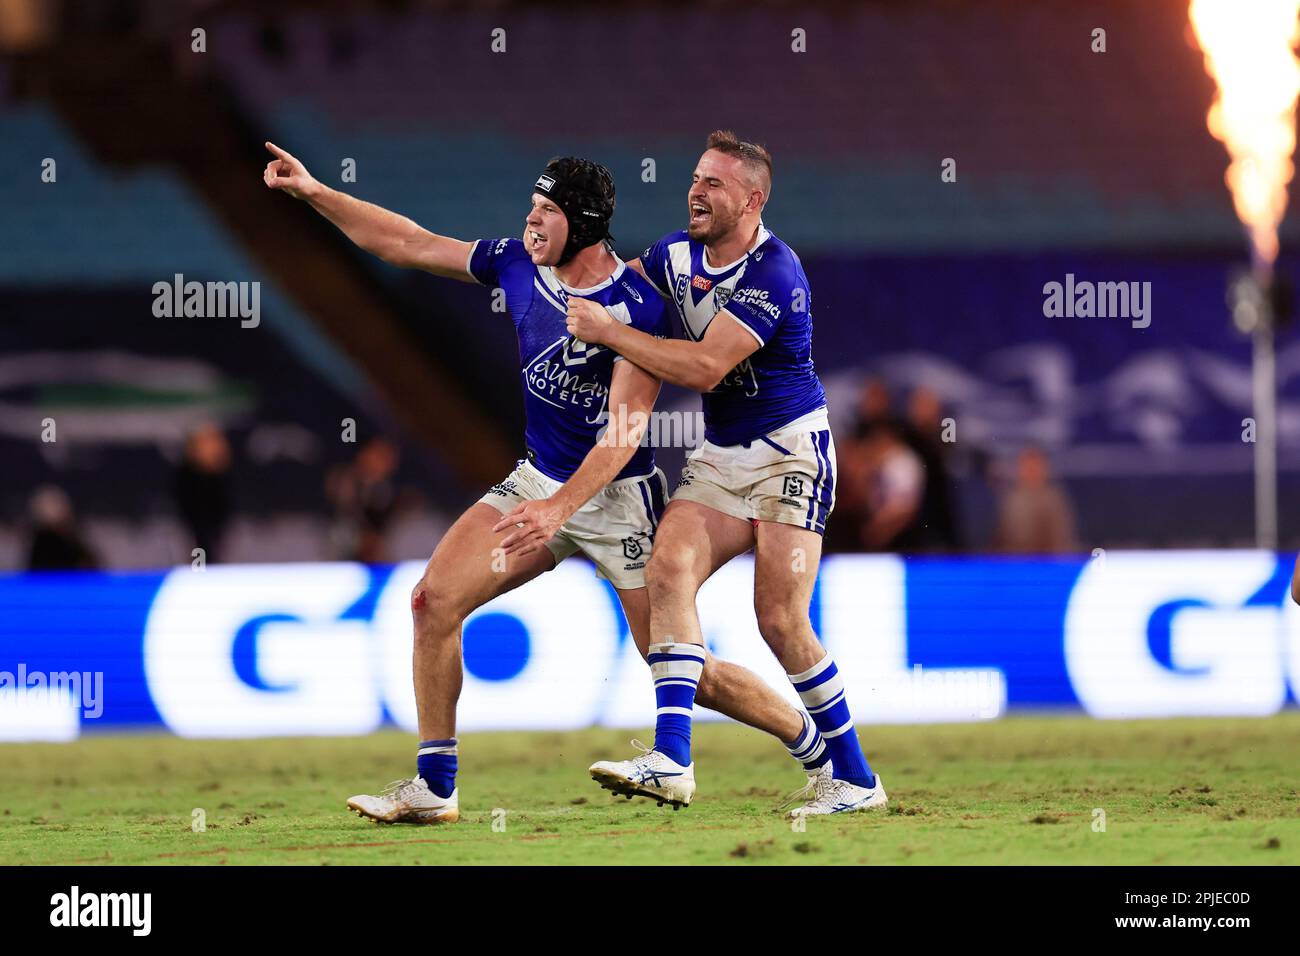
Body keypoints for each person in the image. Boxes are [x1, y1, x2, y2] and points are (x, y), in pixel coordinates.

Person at [263, 142, 819, 824]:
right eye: (532, 206)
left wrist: (562, 508)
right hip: (539, 484)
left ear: (581, 225)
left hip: (617, 503)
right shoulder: (515, 263)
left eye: (546, 211)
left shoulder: (636, 304)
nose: (530, 222)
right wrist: (314, 192)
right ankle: (435, 785)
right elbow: (407, 243)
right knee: (431, 603)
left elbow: (621, 436)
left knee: (684, 670)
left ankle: (810, 739)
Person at [567, 130, 886, 817]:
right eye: (695, 178)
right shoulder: (670, 255)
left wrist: (610, 333)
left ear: (752, 199)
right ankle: (672, 760)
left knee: (779, 620)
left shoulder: (777, 272)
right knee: (667, 567)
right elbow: (620, 291)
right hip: (720, 455)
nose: (696, 191)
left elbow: (707, 366)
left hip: (790, 452)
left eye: (714, 183)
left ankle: (856, 778)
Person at [991, 446, 1078, 554]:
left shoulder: (1053, 499)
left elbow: (1061, 538)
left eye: (1035, 466)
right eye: (1027, 466)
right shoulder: (1010, 498)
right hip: (1015, 561)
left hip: (1046, 560)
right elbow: (1002, 537)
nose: (1031, 470)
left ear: (1044, 468)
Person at [173, 423, 232, 564]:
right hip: (196, 524)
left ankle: (207, 572)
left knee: (212, 550)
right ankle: (200, 571)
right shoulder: (187, 475)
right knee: (200, 550)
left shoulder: (218, 476)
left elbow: (224, 502)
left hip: (214, 524)